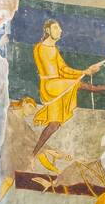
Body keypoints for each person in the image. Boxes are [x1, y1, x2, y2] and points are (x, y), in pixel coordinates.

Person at [32, 18, 100, 170]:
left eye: (60, 28)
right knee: (77, 84)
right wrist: (83, 72)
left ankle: (33, 153)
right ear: (48, 31)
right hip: (50, 85)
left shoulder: (54, 50)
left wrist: (84, 71)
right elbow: (60, 72)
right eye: (56, 28)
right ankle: (103, 88)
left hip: (58, 84)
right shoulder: (40, 48)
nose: (60, 31)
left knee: (54, 125)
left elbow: (63, 69)